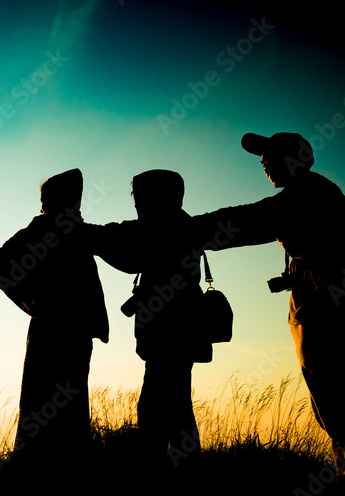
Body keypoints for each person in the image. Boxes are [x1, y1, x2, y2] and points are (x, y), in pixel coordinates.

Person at [192, 132, 345, 494]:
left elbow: (247, 221)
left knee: (337, 409)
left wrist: (189, 229)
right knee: (335, 406)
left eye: (271, 156)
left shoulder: (305, 196)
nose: (263, 163)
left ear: (297, 158)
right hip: (322, 310)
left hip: (324, 314)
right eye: (262, 159)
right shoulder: (316, 191)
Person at [0, 168, 110, 485]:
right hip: (73, 332)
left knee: (42, 402)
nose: (42, 202)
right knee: (68, 405)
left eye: (45, 197)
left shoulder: (47, 227)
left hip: (52, 329)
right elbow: (1, 263)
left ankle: (38, 477)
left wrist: (28, 298)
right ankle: (66, 476)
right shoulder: (75, 230)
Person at [91, 169, 211, 469]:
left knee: (170, 406)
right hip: (175, 334)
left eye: (139, 196)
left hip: (167, 334)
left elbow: (119, 242)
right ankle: (166, 470)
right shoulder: (180, 225)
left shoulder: (162, 226)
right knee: (164, 404)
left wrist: (77, 230)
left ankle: (175, 472)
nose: (135, 203)